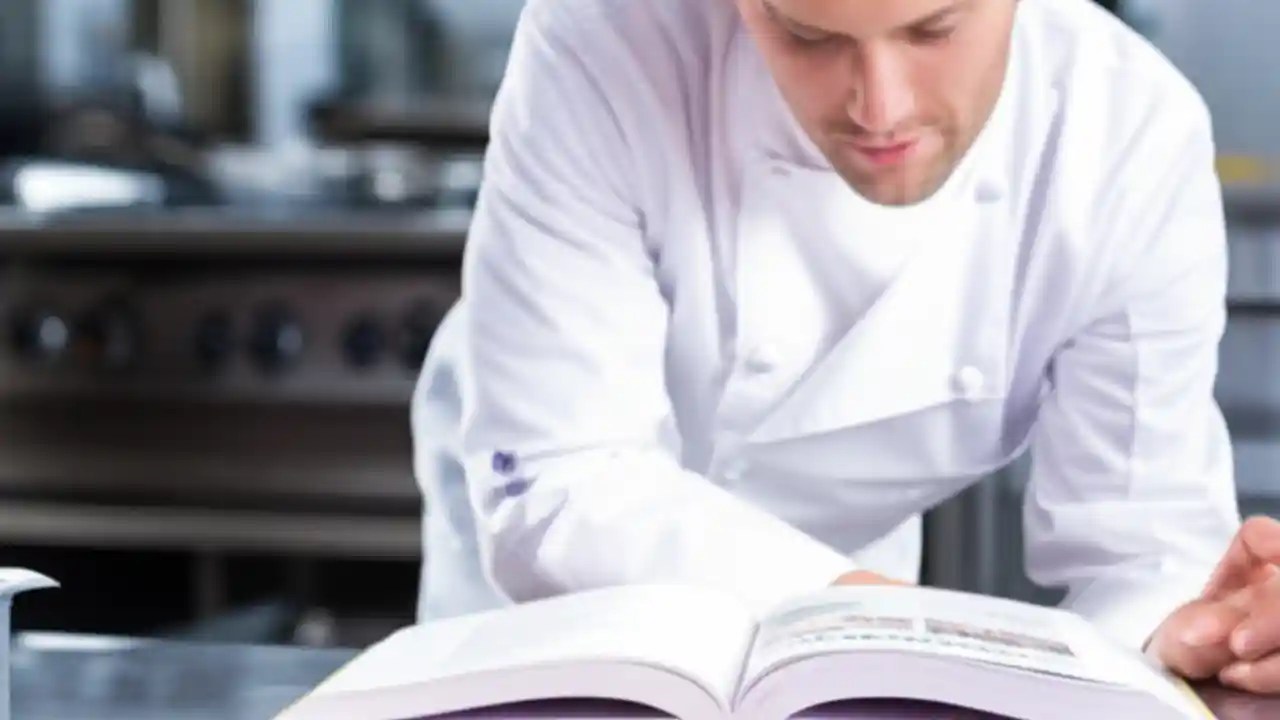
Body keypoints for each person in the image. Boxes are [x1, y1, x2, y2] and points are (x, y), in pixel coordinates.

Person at [414, 0, 1280, 694]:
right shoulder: (600, 44)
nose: (881, 106)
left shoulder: (1124, 134)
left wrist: (1204, 631)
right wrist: (914, 637)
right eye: (807, 35)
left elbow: (1142, 542)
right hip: (561, 597)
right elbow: (566, 483)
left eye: (933, 28)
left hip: (843, 593)